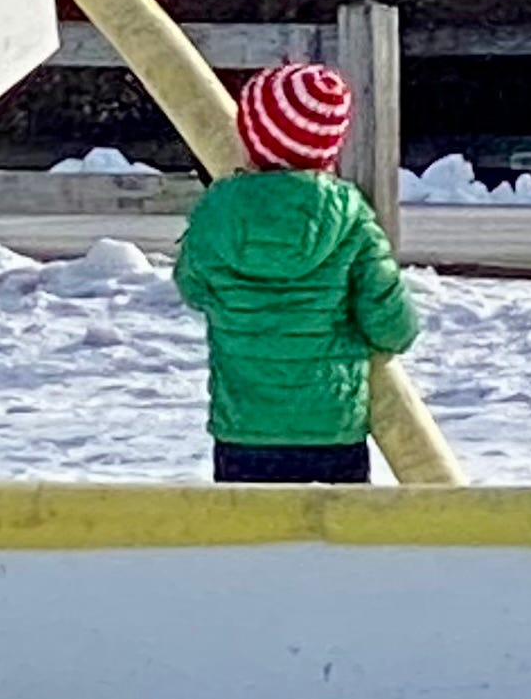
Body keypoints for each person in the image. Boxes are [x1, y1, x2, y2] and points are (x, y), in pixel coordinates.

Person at [173, 63, 418, 484]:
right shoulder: (351, 219)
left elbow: (192, 287)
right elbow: (394, 328)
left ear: (250, 139)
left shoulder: (217, 212)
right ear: (330, 146)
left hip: (243, 428)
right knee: (332, 543)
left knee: (254, 539)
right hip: (332, 428)